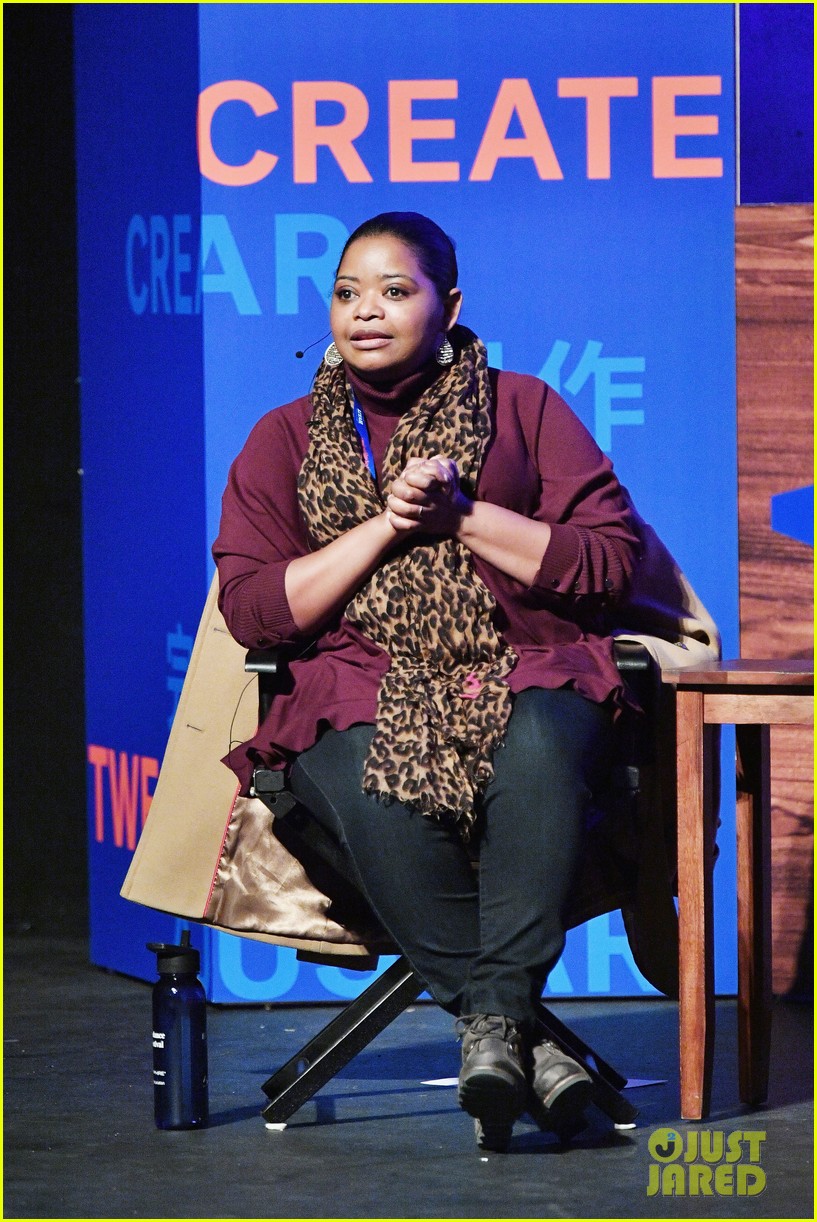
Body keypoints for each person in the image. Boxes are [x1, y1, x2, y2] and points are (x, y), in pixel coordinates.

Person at [213, 211, 644, 1151]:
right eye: (346, 292)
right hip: (355, 685)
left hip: (523, 667)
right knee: (376, 783)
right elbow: (253, 610)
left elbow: (610, 563)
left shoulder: (526, 409)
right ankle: (523, 1040)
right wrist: (382, 526)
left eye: (394, 291)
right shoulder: (282, 440)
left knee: (537, 747)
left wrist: (459, 514)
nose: (365, 312)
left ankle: (494, 1027)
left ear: (448, 307)